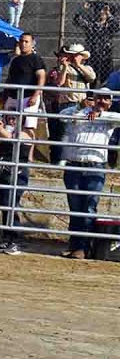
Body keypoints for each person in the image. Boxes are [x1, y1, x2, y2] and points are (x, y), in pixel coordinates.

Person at [59, 89, 120, 258]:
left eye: (106, 99)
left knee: (89, 207)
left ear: (110, 102)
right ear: (92, 99)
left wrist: (99, 114)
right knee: (76, 208)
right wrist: (80, 106)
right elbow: (62, 116)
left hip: (95, 166)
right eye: (99, 97)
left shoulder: (110, 118)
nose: (102, 101)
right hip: (74, 165)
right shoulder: (79, 112)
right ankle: (76, 245)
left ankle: (83, 248)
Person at [0, 109, 33, 255]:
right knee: (5, 206)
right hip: (2, 173)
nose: (12, 121)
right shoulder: (7, 134)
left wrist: (0, 129)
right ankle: (7, 238)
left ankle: (16, 240)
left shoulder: (26, 134)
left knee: (11, 205)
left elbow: (13, 138)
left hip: (16, 175)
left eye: (15, 118)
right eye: (10, 118)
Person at [49, 43, 97, 164]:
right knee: (64, 131)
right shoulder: (63, 68)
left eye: (76, 55)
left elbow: (92, 77)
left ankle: (75, 157)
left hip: (82, 104)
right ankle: (60, 158)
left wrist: (79, 65)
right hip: (67, 103)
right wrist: (65, 67)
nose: (73, 57)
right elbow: (60, 82)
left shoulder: (87, 68)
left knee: (79, 131)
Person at [3, 32, 46, 133]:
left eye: (26, 41)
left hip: (28, 98)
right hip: (13, 97)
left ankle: (27, 149)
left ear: (32, 44)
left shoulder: (36, 59)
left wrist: (35, 95)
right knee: (9, 127)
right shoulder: (15, 60)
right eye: (21, 41)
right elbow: (10, 78)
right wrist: (5, 95)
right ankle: (10, 148)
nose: (23, 44)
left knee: (28, 128)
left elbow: (42, 77)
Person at [74, 2, 120, 80]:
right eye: (98, 10)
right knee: (91, 79)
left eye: (102, 11)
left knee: (106, 79)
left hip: (105, 56)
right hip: (92, 55)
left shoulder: (109, 26)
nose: (101, 13)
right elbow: (77, 21)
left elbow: (117, 25)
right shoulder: (91, 25)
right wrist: (83, 8)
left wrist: (109, 14)